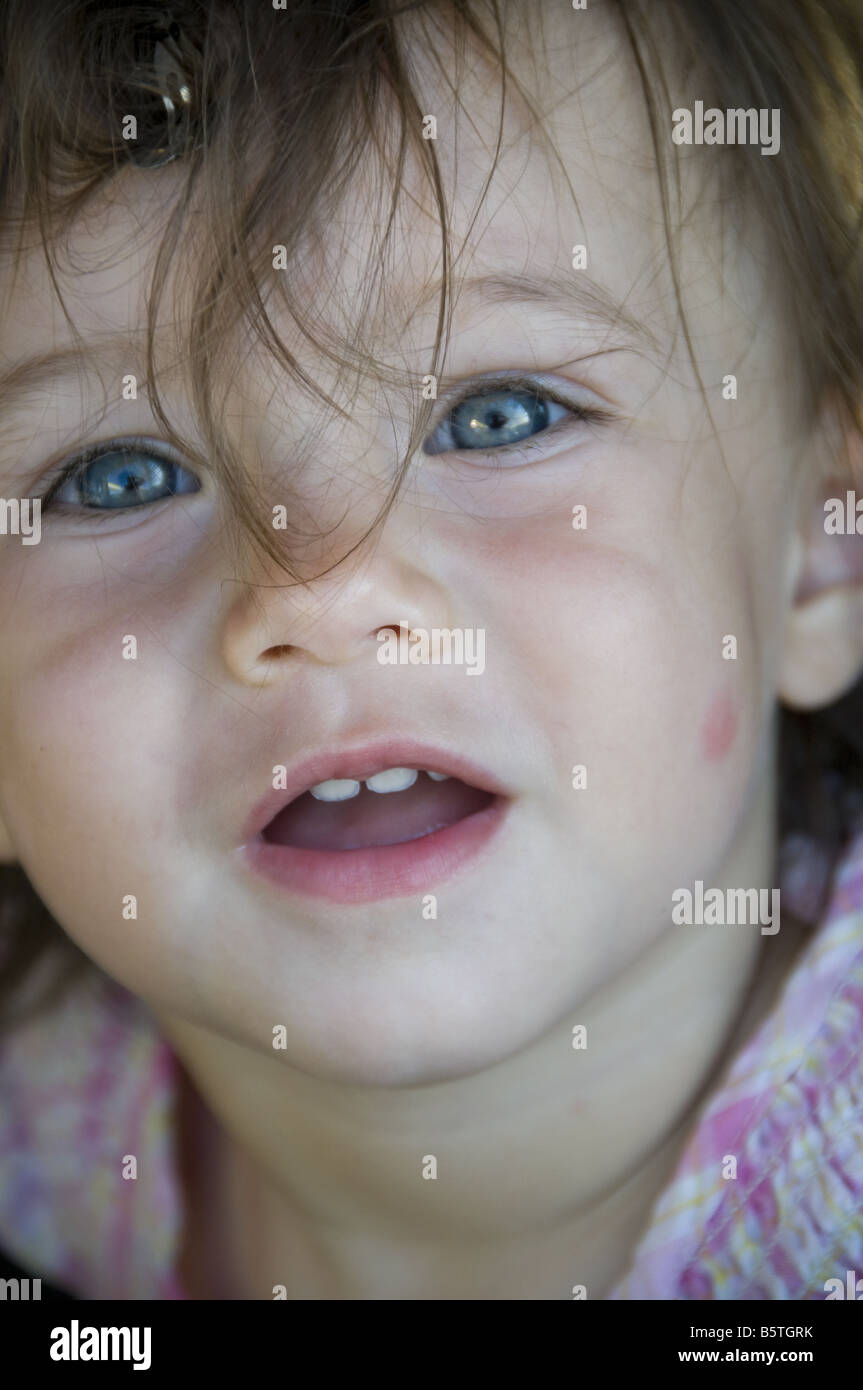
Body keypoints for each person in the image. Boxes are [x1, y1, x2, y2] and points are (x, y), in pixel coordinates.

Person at [0, 0, 861, 1301]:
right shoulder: (38, 1119)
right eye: (117, 476)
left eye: (498, 415)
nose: (324, 590)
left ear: (823, 548)